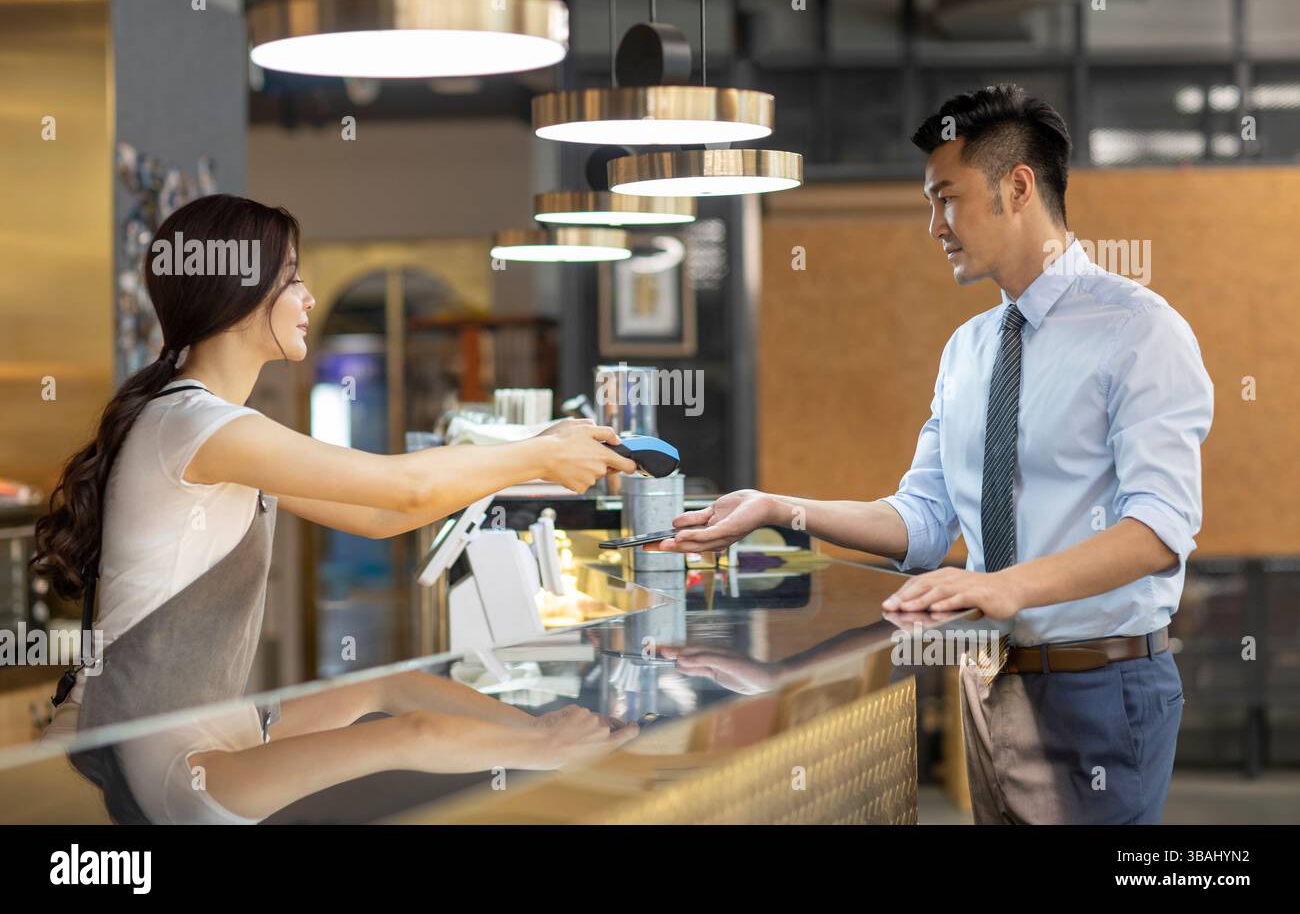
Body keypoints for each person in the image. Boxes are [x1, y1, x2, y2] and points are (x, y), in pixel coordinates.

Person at [658, 85, 1213, 824]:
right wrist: (776, 508)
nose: (933, 225)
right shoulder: (970, 350)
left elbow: (1158, 530)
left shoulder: (1139, 331)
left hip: (1101, 690)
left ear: (1017, 187)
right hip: (988, 684)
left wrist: (1007, 587)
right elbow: (922, 521)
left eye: (945, 198)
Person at [35, 193, 638, 823]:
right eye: (292, 277)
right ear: (240, 293)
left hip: (186, 730)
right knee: (404, 733)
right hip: (158, 764)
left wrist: (554, 734)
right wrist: (536, 455)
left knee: (386, 685)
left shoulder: (204, 423)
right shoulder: (197, 425)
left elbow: (381, 516)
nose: (309, 298)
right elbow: (401, 489)